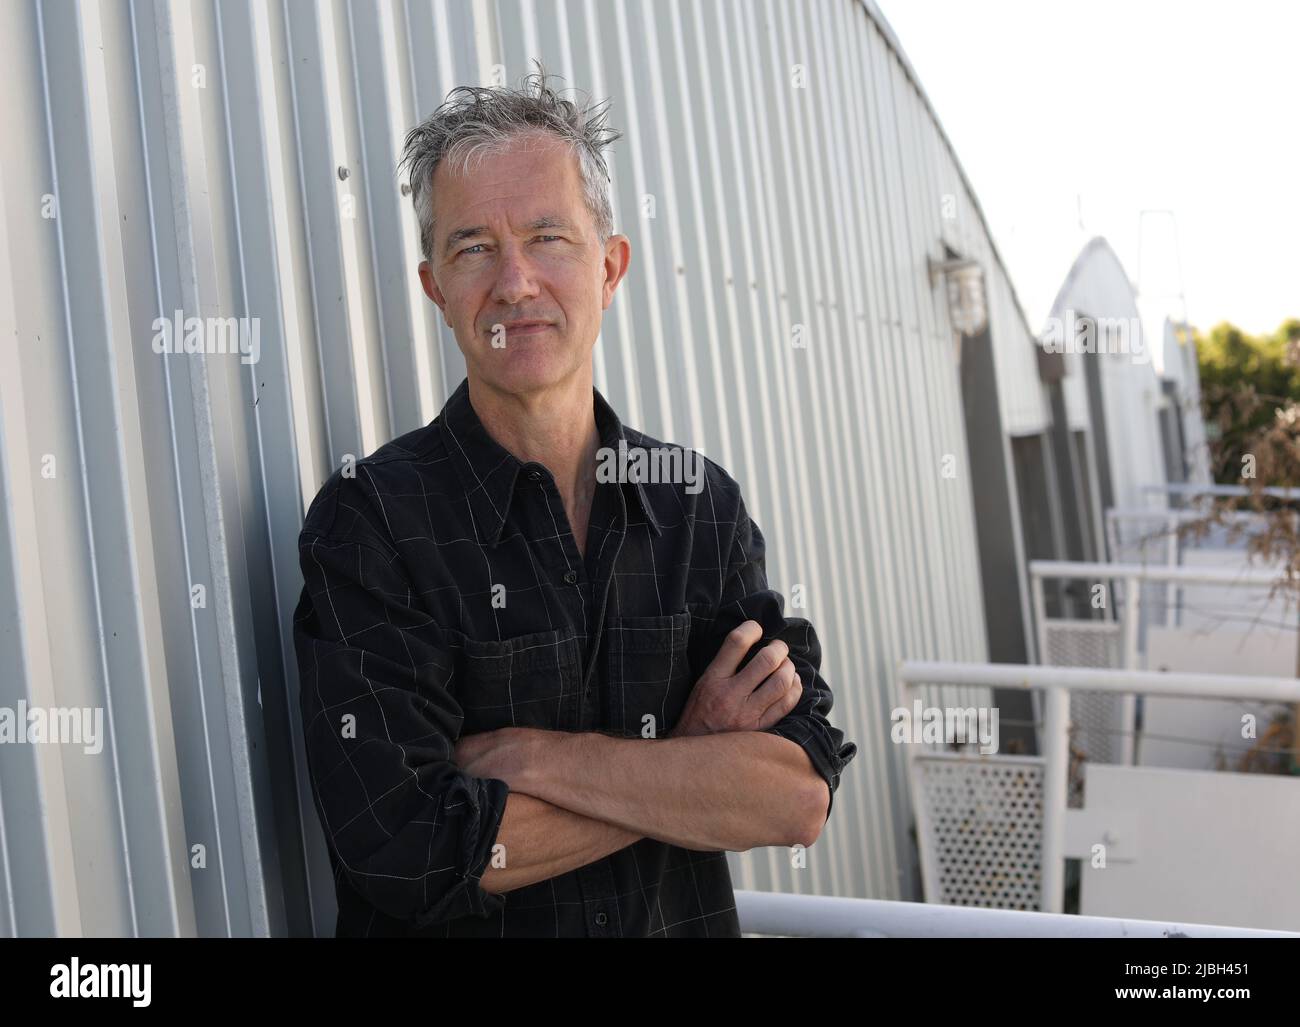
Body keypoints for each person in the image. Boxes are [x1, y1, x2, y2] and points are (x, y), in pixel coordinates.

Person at [292, 65, 856, 937]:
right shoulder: (372, 526)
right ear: (435, 287)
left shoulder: (698, 509)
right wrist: (687, 763)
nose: (514, 282)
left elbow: (796, 794)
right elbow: (412, 852)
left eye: (548, 237)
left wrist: (537, 761)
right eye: (473, 246)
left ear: (611, 266)